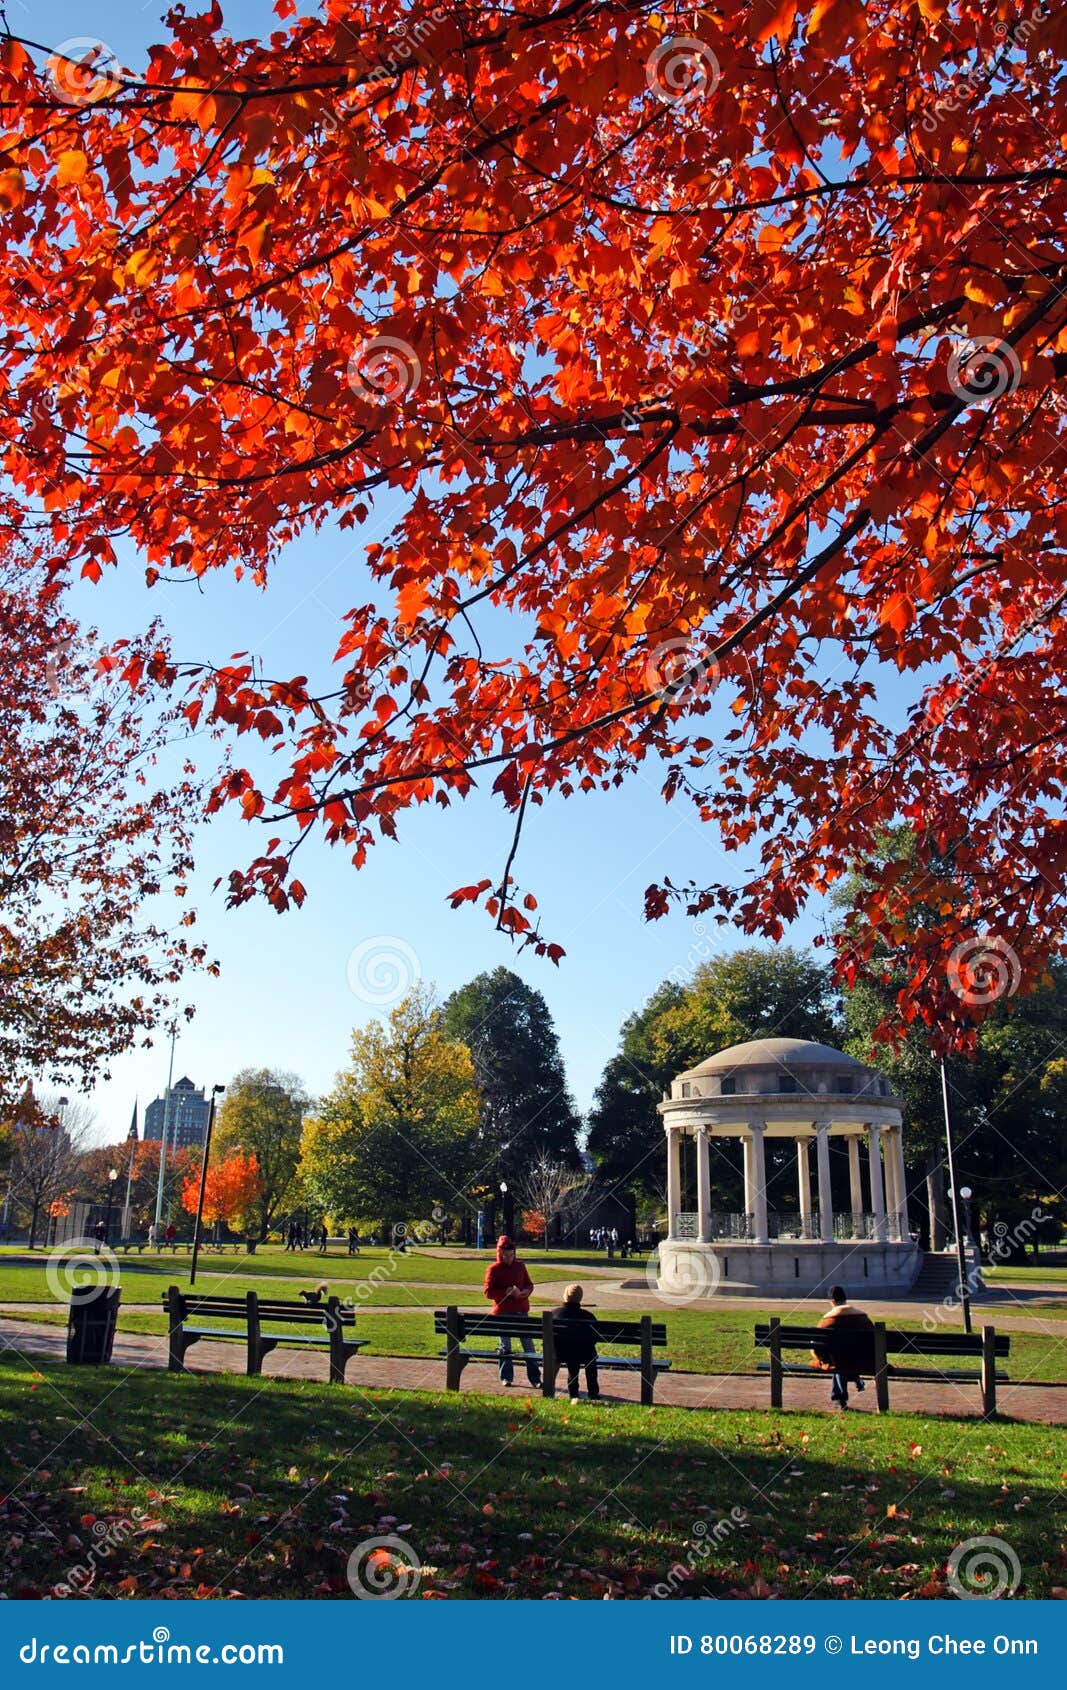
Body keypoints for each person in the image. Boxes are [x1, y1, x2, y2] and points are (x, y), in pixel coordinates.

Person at [483, 1235, 540, 1388]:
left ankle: (535, 1378)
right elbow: (488, 1292)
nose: (509, 1258)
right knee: (505, 1346)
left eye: (511, 1255)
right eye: (505, 1255)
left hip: (521, 1309)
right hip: (503, 1312)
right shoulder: (493, 1269)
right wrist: (505, 1292)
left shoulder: (520, 1266)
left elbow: (529, 1284)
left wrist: (524, 1292)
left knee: (528, 1344)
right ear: (499, 1254)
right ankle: (506, 1377)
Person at [811, 1285, 875, 1410]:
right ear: (846, 1299)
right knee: (844, 1357)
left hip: (840, 1362)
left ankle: (839, 1398)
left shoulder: (827, 1321)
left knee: (837, 1360)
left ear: (831, 1301)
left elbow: (816, 1347)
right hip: (864, 1361)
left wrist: (820, 1358)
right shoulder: (863, 1319)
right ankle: (855, 1379)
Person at [550, 1284, 601, 1400]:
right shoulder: (588, 1316)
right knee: (590, 1356)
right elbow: (595, 1338)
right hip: (584, 1353)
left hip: (560, 1352)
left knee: (572, 1357)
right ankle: (593, 1391)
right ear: (580, 1298)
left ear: (565, 1297)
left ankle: (573, 1392)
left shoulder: (554, 1314)